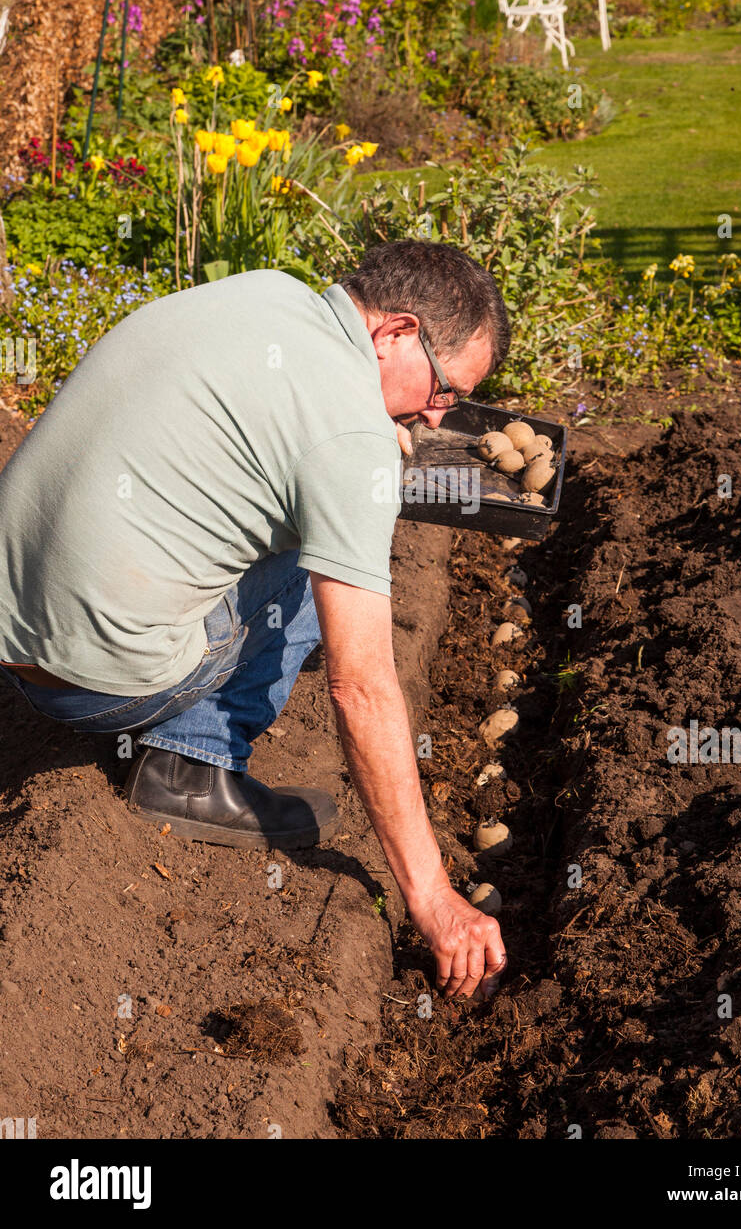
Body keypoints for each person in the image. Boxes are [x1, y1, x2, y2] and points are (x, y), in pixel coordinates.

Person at [0, 239, 512, 1001]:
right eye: (443, 390)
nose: (440, 413)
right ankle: (187, 762)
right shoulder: (350, 440)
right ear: (396, 332)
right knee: (326, 567)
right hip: (87, 681)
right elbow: (360, 688)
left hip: (12, 612)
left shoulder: (265, 294)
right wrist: (435, 901)